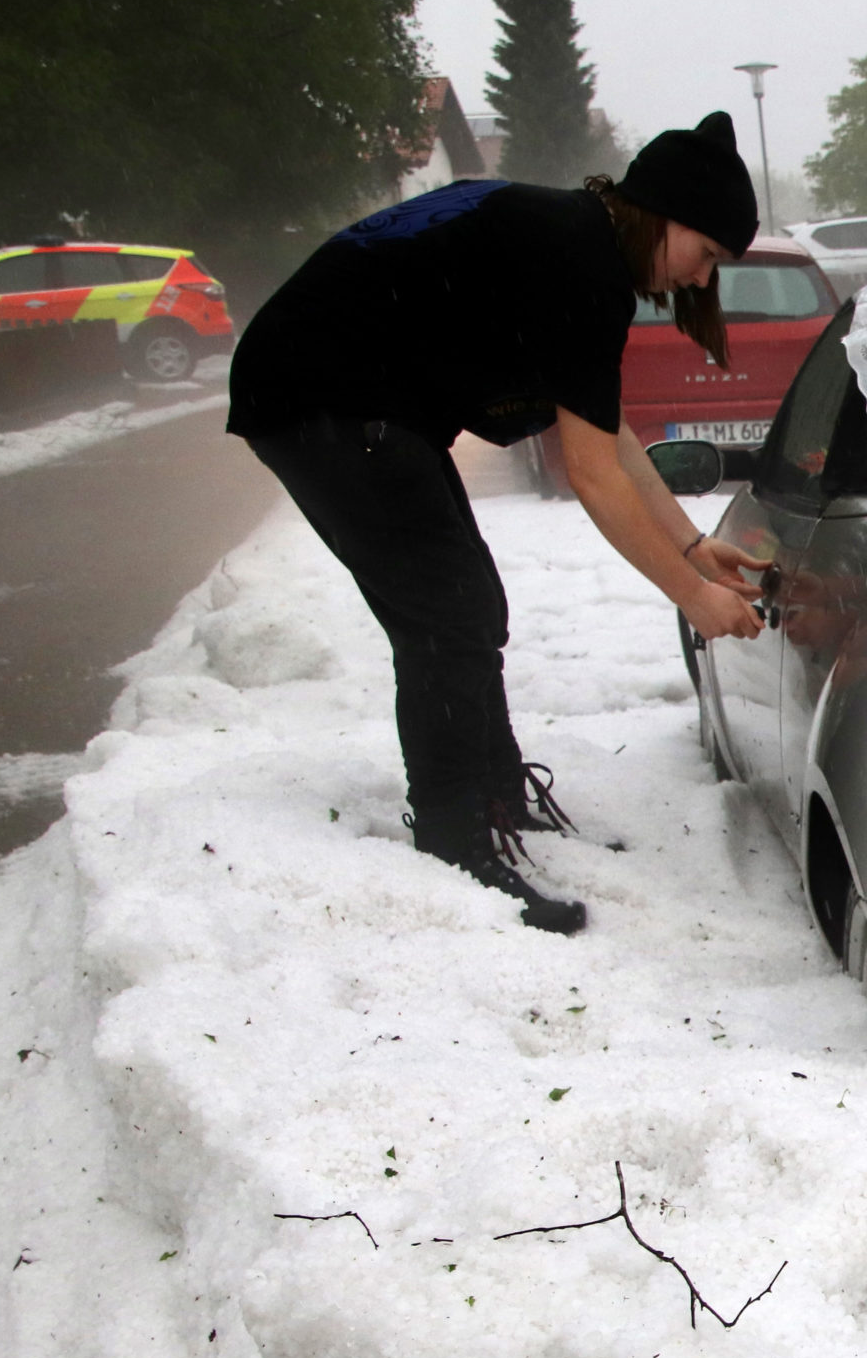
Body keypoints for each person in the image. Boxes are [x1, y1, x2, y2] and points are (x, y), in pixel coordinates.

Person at [227, 113, 770, 934]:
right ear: (668, 214)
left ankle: (496, 800)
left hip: (361, 399)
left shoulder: (575, 237)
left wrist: (692, 545)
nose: (700, 281)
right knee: (446, 616)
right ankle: (455, 844)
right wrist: (691, 596)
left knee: (470, 604)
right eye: (708, 256)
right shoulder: (582, 260)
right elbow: (590, 475)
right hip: (320, 397)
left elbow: (607, 435)